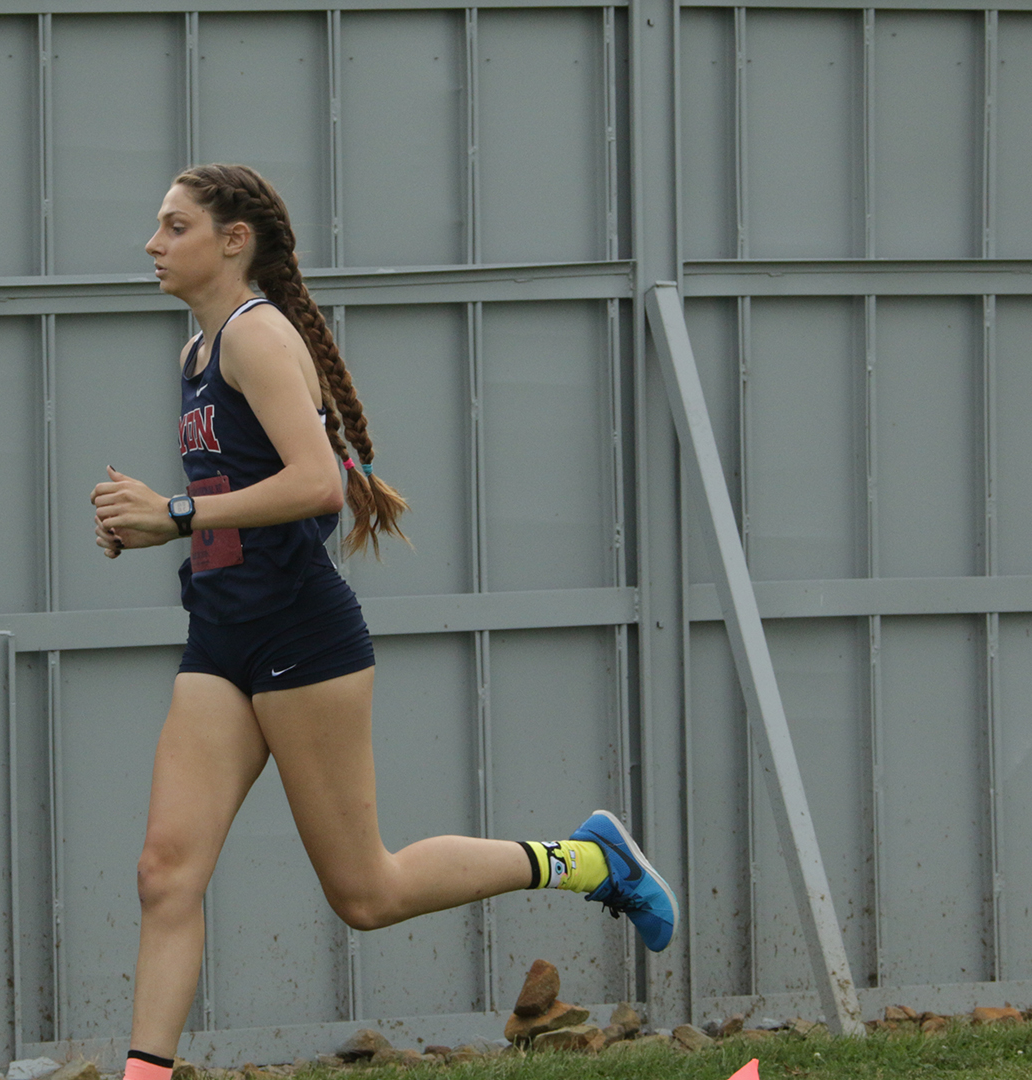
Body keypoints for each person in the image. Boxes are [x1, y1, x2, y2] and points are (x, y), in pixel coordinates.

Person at [89, 164, 675, 1080]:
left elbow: (317, 484)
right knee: (165, 871)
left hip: (298, 637)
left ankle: (586, 863)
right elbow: (242, 496)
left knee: (368, 893)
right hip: (220, 637)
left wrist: (173, 514)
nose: (153, 244)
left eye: (173, 226)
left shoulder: (256, 336)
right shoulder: (194, 355)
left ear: (232, 240)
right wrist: (148, 527)